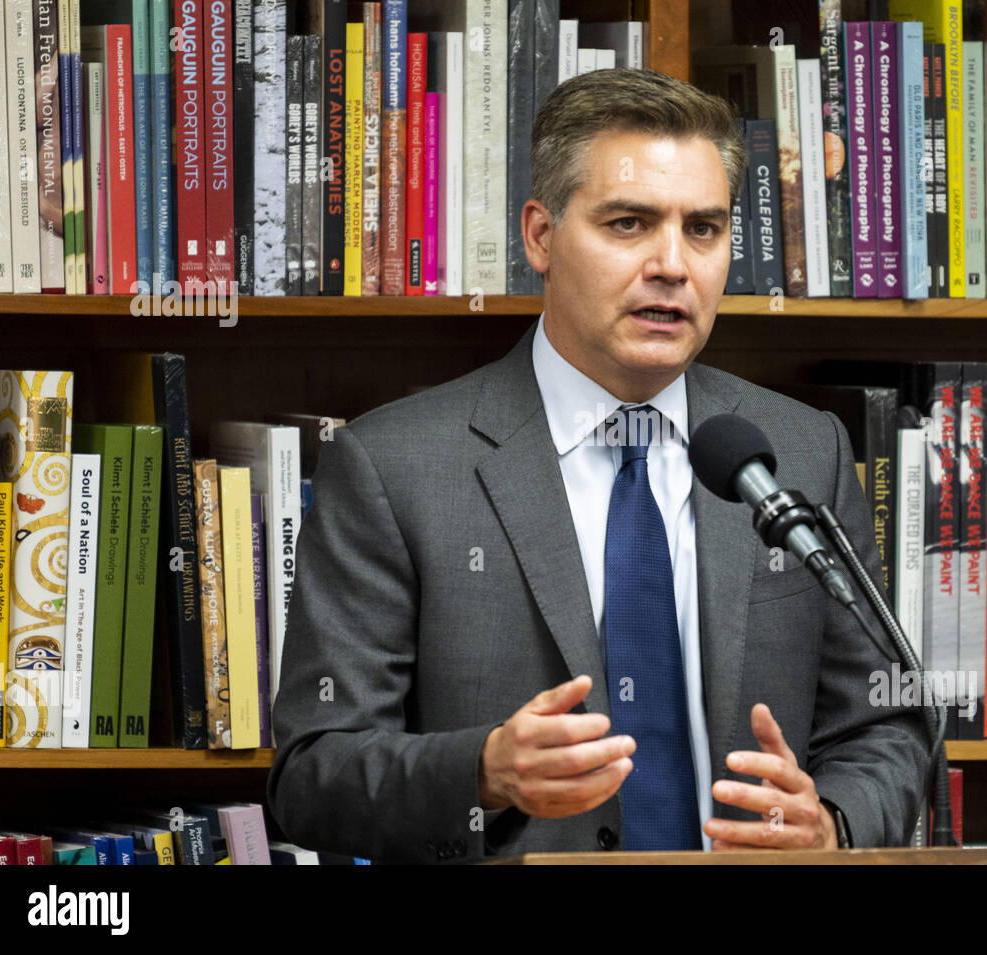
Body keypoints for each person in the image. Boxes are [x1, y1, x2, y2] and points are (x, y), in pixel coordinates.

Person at [266, 68, 929, 863]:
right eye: (628, 223)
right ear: (540, 236)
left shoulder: (801, 449)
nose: (672, 264)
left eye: (704, 229)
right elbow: (313, 774)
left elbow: (887, 723)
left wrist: (831, 824)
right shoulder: (393, 466)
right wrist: (484, 771)